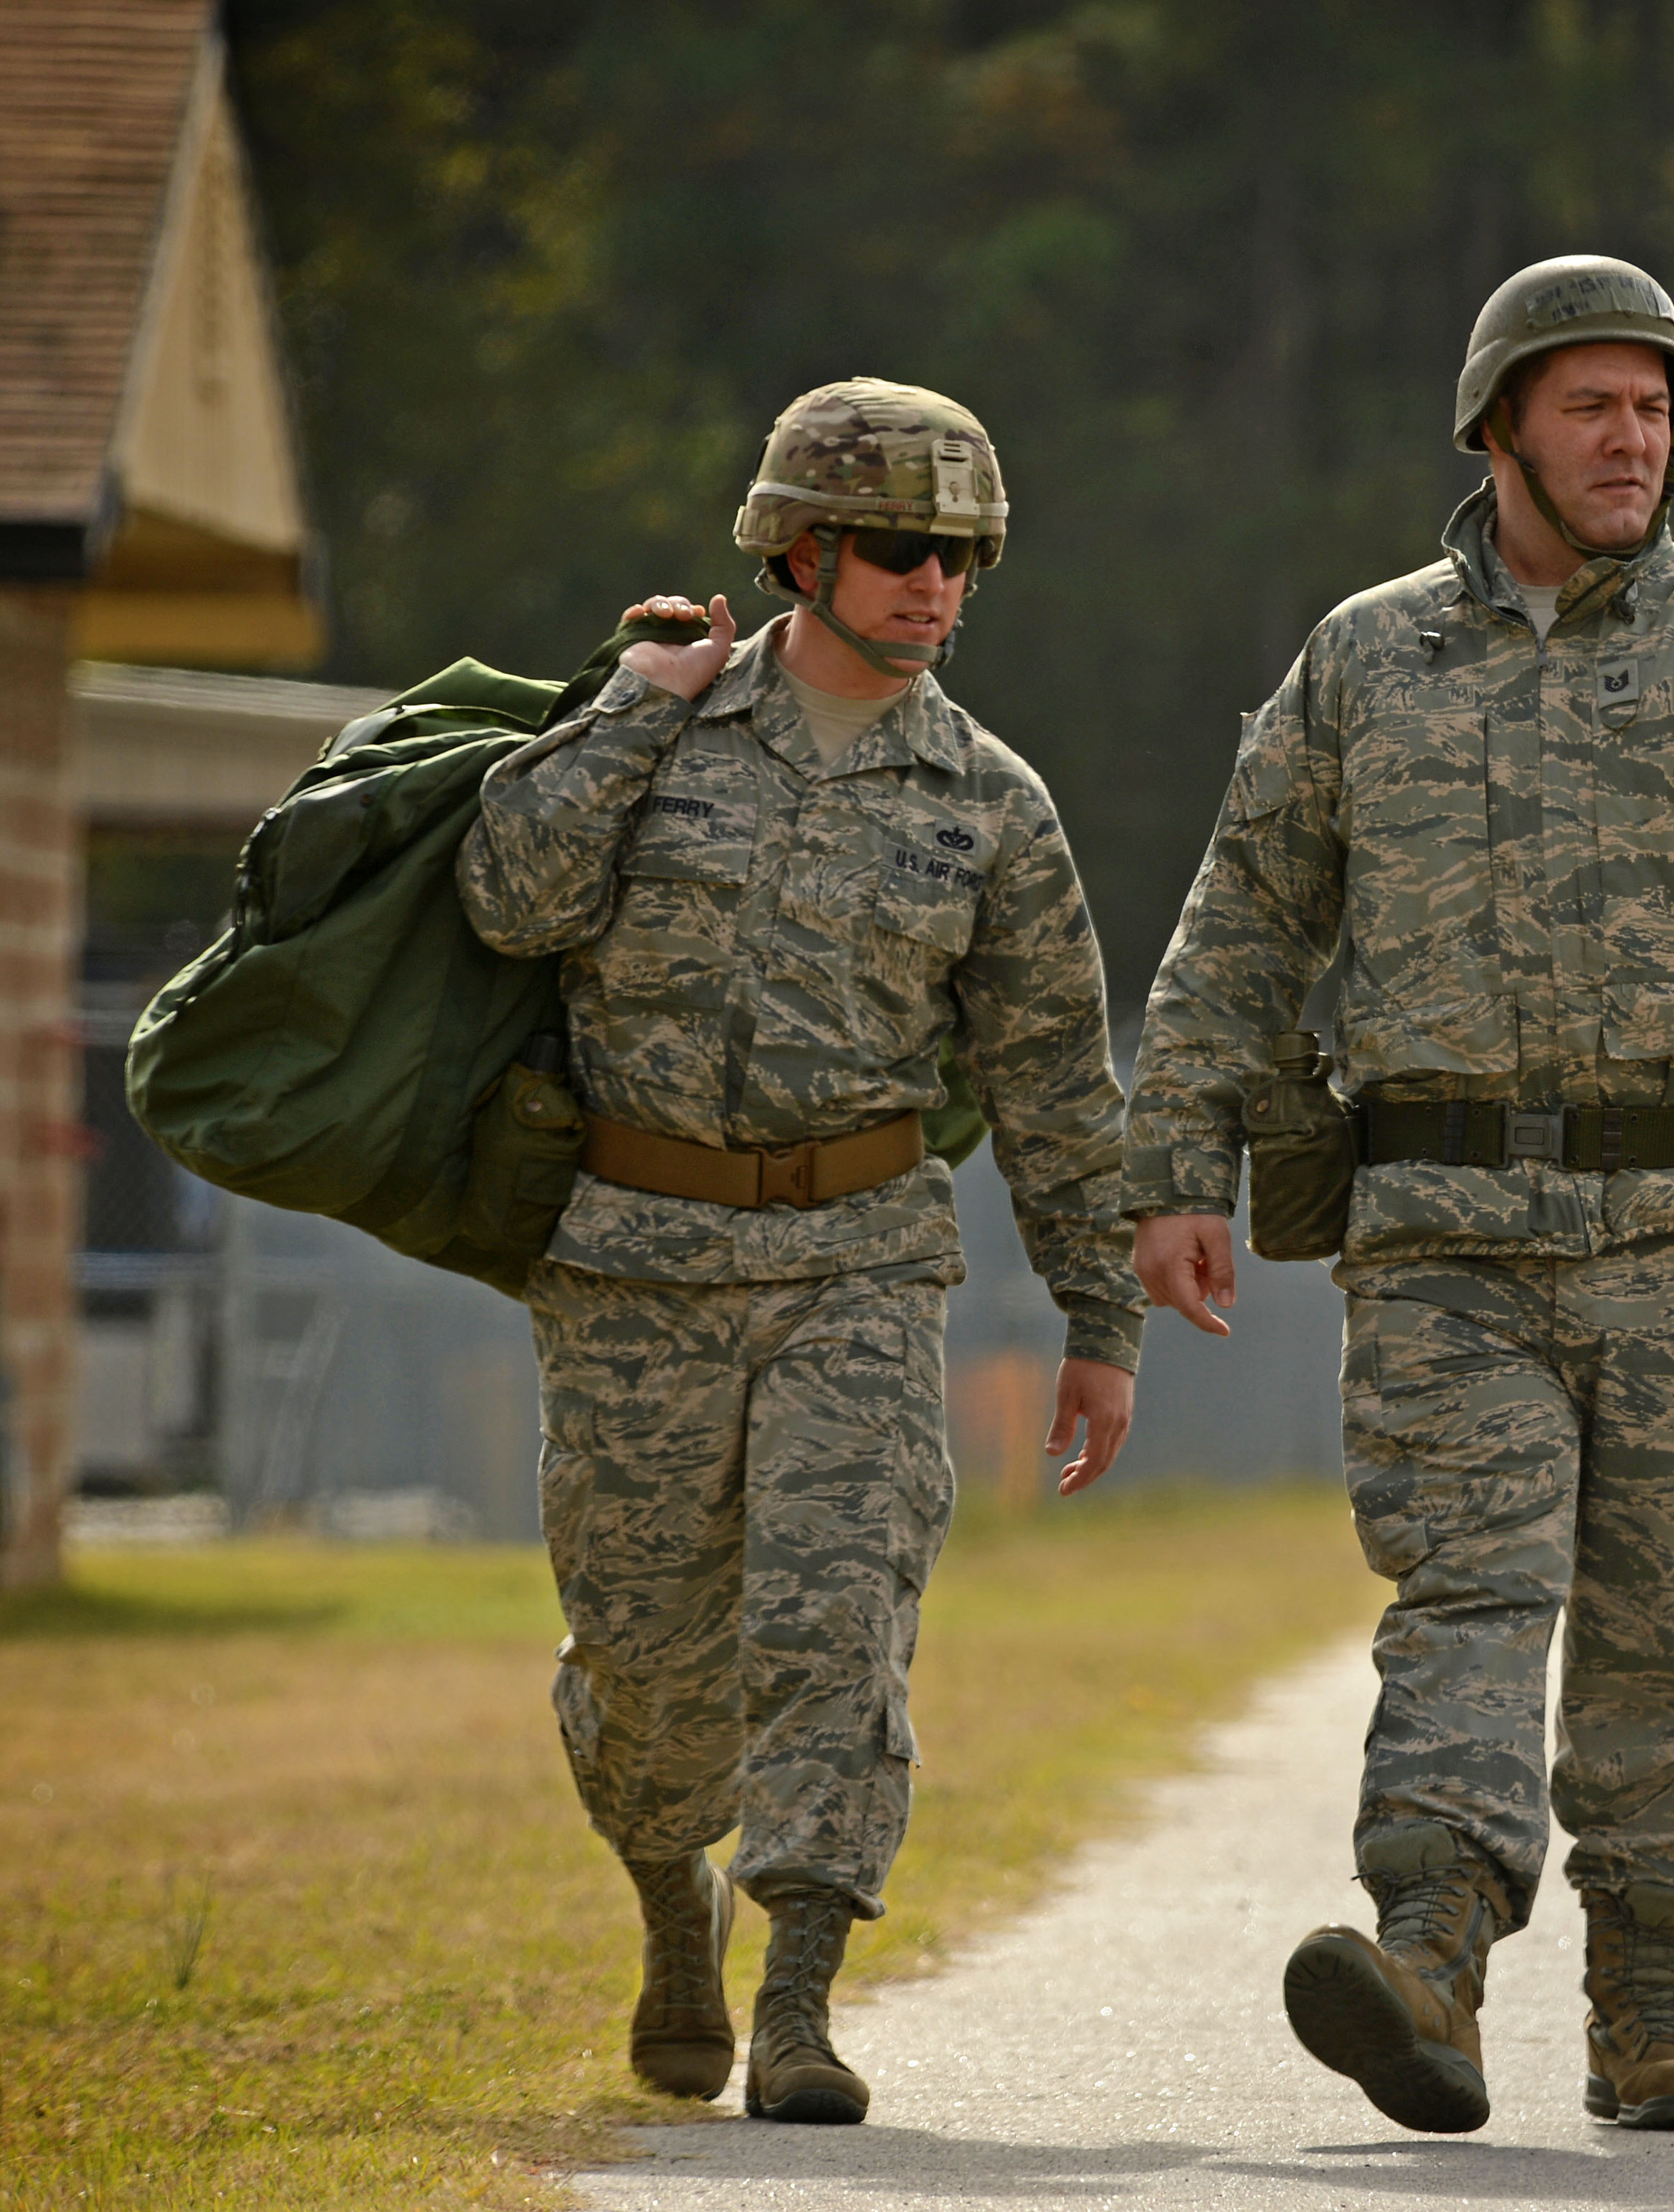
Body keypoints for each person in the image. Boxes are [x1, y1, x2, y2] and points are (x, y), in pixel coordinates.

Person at [1123, 257, 1674, 2136]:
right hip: (1440, 1237)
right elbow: (1246, 917)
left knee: (1660, 1626)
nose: (1635, 436)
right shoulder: (1364, 658)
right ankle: (1429, 1947)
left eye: (1657, 407)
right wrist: (1177, 1167)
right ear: (1499, 425)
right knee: (1468, 1596)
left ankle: (1645, 1995)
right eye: (1592, 404)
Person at [457, 378, 1144, 2126]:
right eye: (904, 548)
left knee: (839, 1621)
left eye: (964, 556)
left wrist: (1098, 1314)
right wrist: (628, 709)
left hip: (859, 1263)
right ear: (802, 551)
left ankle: (800, 2002)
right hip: (628, 1263)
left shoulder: (990, 803)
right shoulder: (657, 725)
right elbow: (509, 899)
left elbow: (1058, 1075)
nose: (937, 585)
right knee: (644, 1663)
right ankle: (667, 1902)